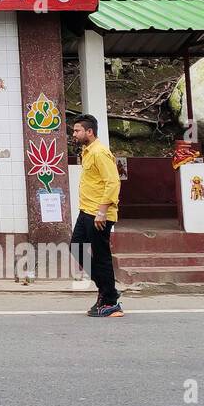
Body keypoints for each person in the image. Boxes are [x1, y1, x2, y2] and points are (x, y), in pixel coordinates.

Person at [70, 114, 124, 317]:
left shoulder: (100, 152)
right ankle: (107, 290)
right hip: (87, 211)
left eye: (77, 130)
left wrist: (102, 212)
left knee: (101, 257)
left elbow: (113, 182)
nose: (74, 134)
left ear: (89, 132)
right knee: (76, 247)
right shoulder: (88, 151)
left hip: (99, 214)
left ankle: (110, 301)